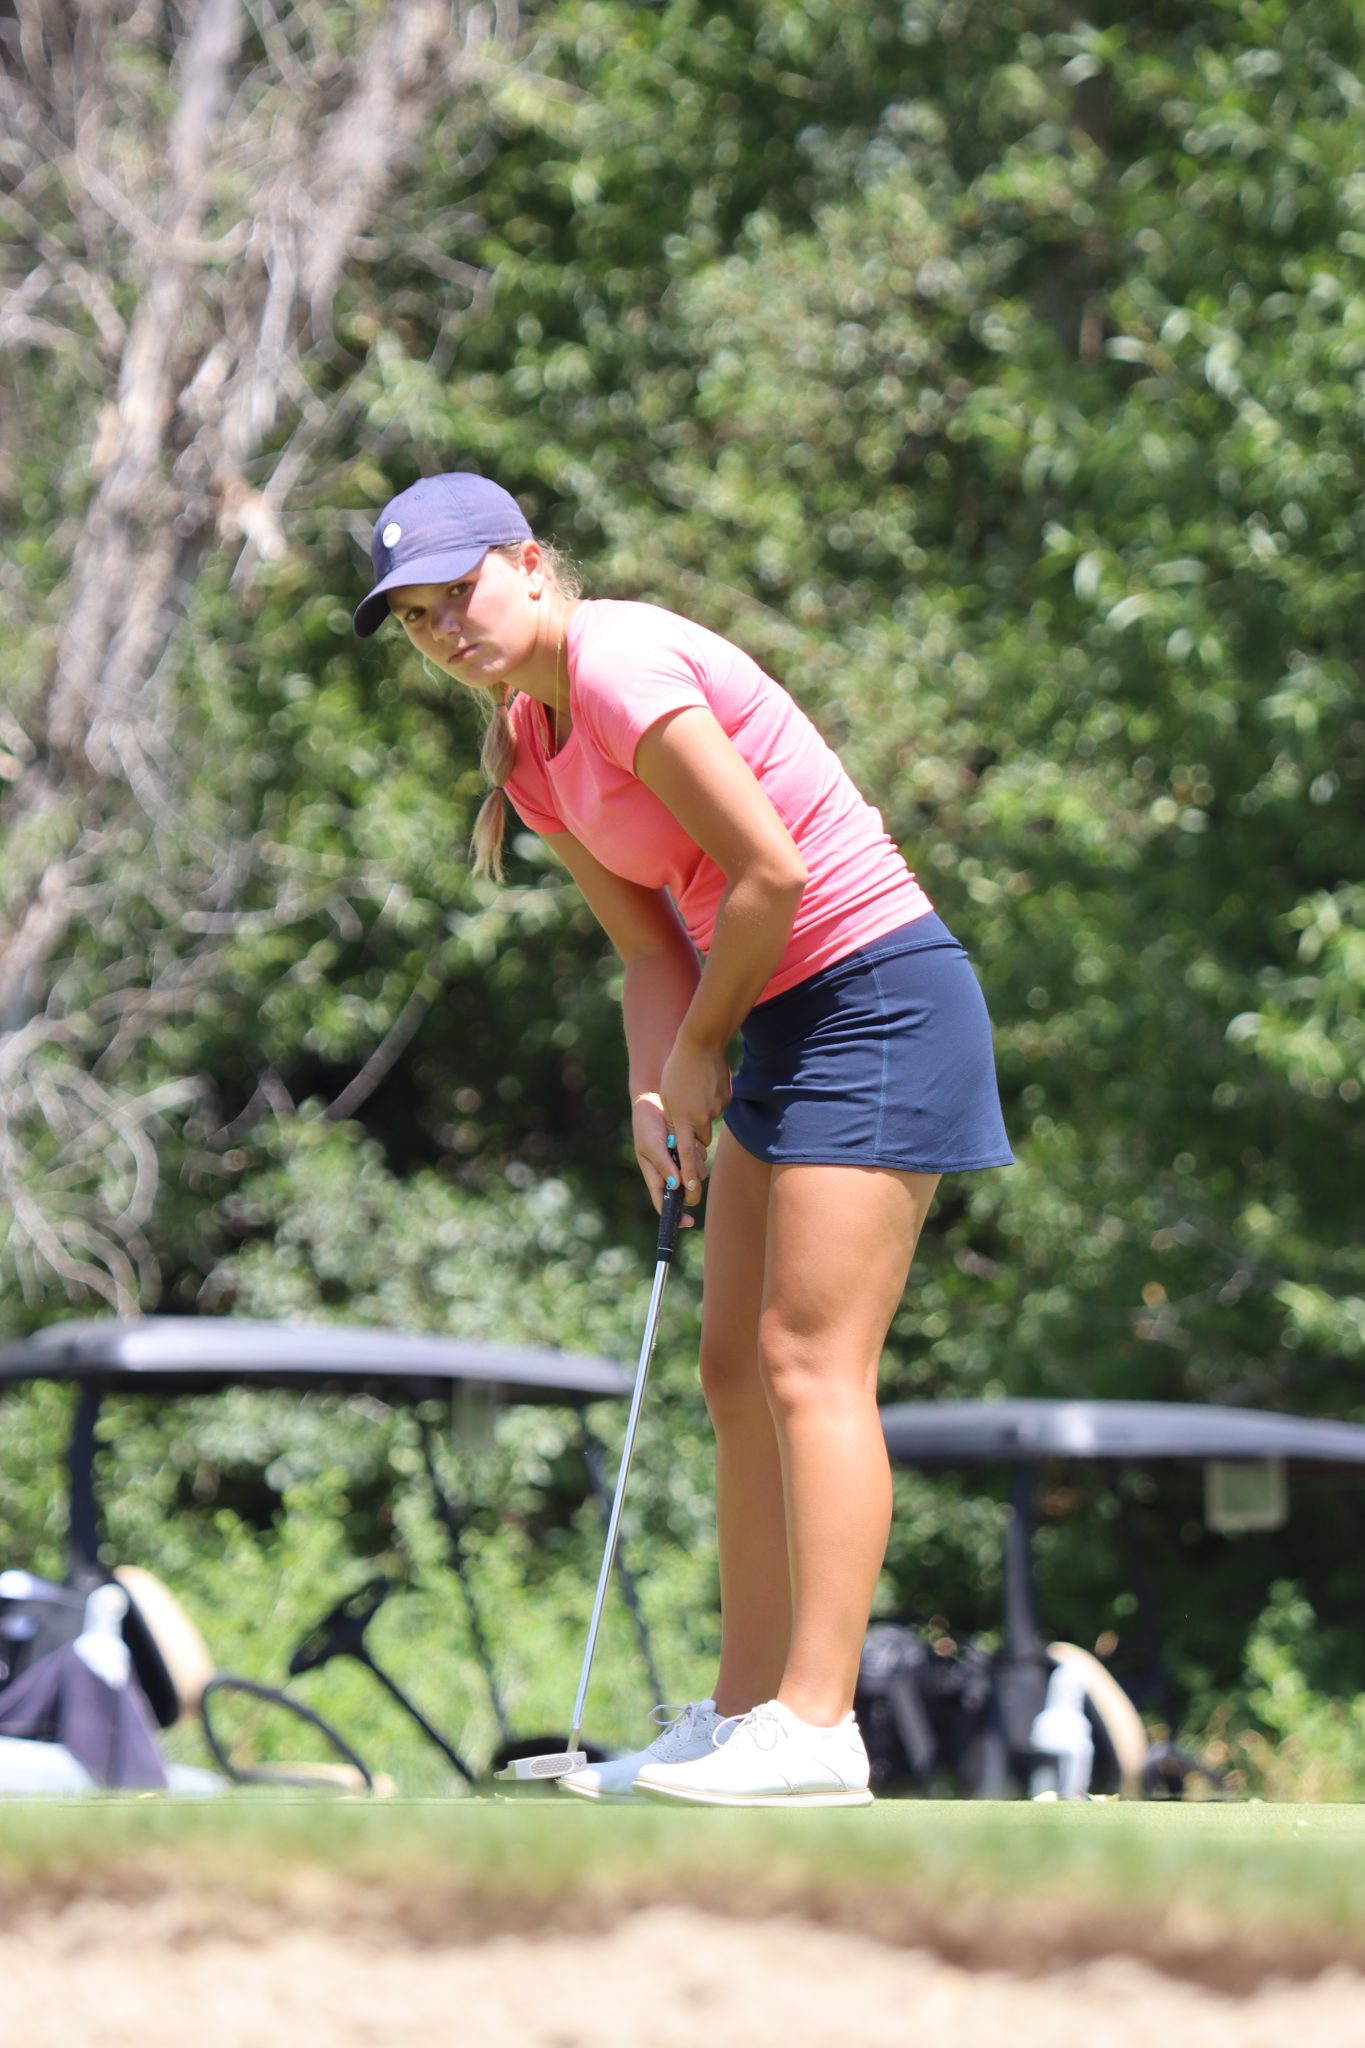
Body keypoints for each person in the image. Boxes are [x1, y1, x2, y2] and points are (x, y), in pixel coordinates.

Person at [353, 471, 1013, 1807]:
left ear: (527, 562)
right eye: (417, 618)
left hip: (877, 998)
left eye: (458, 593)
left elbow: (771, 871)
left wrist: (703, 1046)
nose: (446, 631)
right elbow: (652, 946)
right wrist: (655, 1087)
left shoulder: (619, 665)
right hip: (770, 1012)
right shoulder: (530, 748)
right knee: (731, 1370)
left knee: (809, 1363)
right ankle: (741, 1715)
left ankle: (817, 1728)